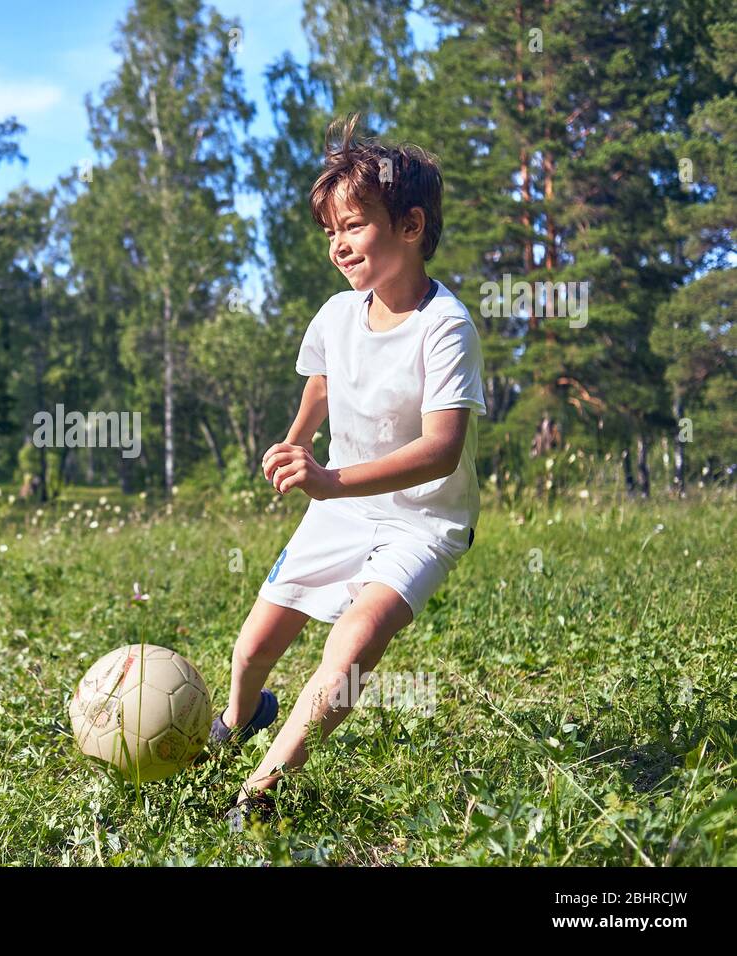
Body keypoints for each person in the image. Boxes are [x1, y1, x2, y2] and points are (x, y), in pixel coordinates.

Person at [213, 114, 487, 832]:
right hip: (342, 508)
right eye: (330, 230)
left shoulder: (445, 327)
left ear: (410, 225)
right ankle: (239, 724)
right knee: (251, 652)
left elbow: (443, 449)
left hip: (422, 520)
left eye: (355, 225)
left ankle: (262, 789)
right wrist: (295, 440)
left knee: (351, 652)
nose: (338, 244)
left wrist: (331, 478)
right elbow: (326, 382)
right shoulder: (338, 315)